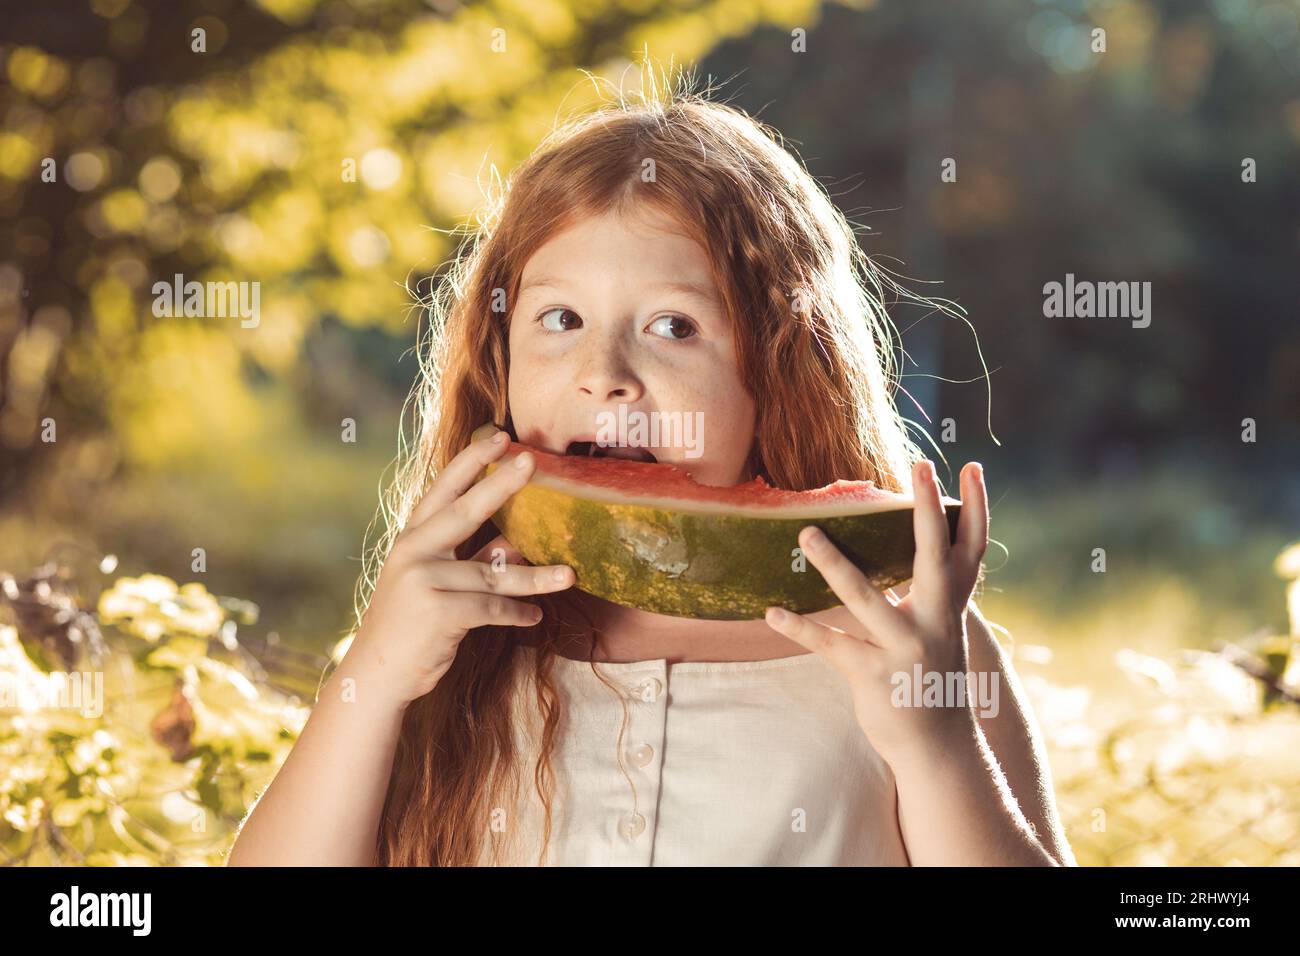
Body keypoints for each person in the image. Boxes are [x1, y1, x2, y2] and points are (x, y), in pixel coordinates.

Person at [227, 70, 1074, 867]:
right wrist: (371, 681)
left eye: (673, 327)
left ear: (782, 370)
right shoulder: (443, 633)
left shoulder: (911, 637)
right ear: (499, 354)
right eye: (560, 317)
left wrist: (937, 746)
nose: (605, 371)